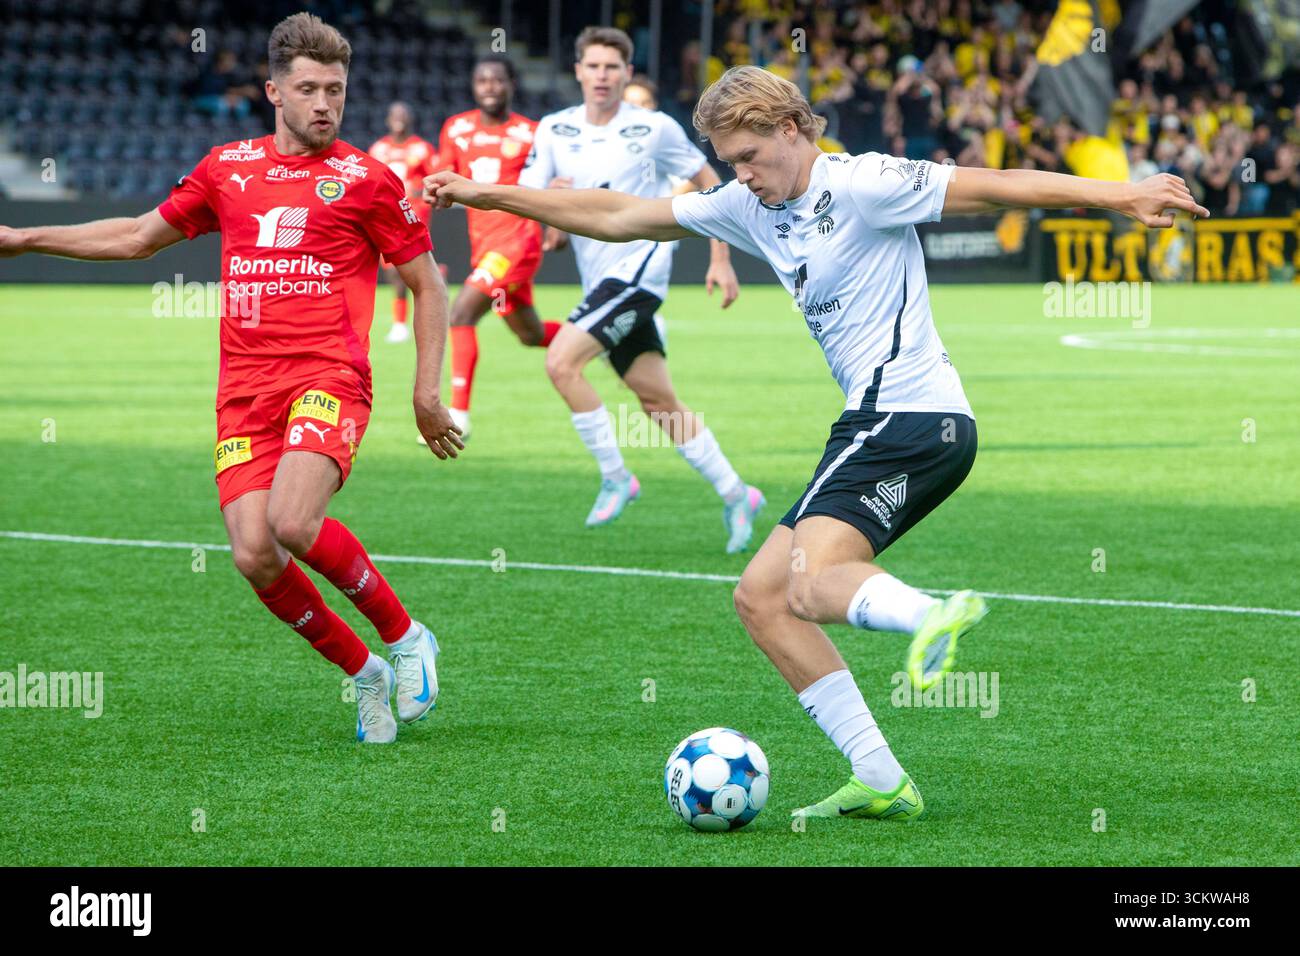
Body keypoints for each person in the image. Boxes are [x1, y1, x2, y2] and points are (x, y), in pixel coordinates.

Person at [425, 65, 1208, 817]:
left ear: (795, 128)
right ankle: (880, 778)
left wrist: (1122, 195)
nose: (743, 175)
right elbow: (617, 214)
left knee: (808, 585)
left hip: (905, 419)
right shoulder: (745, 205)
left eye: (751, 156)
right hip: (885, 425)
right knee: (762, 599)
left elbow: (994, 186)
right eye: (729, 162)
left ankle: (929, 614)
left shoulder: (864, 182)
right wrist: (485, 193)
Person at [0, 12, 465, 744]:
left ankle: (407, 639)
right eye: (308, 88)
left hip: (329, 375)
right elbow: (136, 236)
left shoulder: (368, 181)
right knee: (254, 553)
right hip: (244, 392)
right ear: (273, 91)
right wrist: (25, 239)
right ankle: (364, 674)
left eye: (335, 91)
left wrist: (426, 393)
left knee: (292, 522)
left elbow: (428, 286)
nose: (323, 104)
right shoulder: (227, 169)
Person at [517, 27, 763, 553]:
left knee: (562, 363)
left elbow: (709, 184)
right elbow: (532, 195)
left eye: (613, 67)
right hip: (598, 275)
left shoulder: (653, 128)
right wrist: (552, 216)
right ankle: (737, 492)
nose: (602, 76)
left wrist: (720, 258)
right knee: (658, 400)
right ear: (579, 71)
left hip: (640, 271)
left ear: (627, 73)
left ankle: (615, 475)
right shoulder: (554, 130)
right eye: (593, 66)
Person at [434, 54, 558, 440]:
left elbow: (553, 184)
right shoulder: (456, 129)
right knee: (530, 335)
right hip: (484, 246)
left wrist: (556, 223)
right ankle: (604, 338)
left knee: (461, 313)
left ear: (510, 85)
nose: (490, 86)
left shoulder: (532, 133)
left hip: (517, 243)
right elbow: (445, 179)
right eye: (482, 80)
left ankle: (458, 414)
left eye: (497, 80)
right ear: (474, 86)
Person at [369, 101, 442, 343]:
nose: (399, 119)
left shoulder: (422, 149)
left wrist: (418, 188)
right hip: (386, 216)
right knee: (391, 270)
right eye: (395, 115)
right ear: (388, 120)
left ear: (411, 119)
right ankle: (436, 277)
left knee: (403, 268)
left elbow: (436, 182)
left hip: (414, 214)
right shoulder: (379, 149)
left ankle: (401, 324)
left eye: (403, 115)